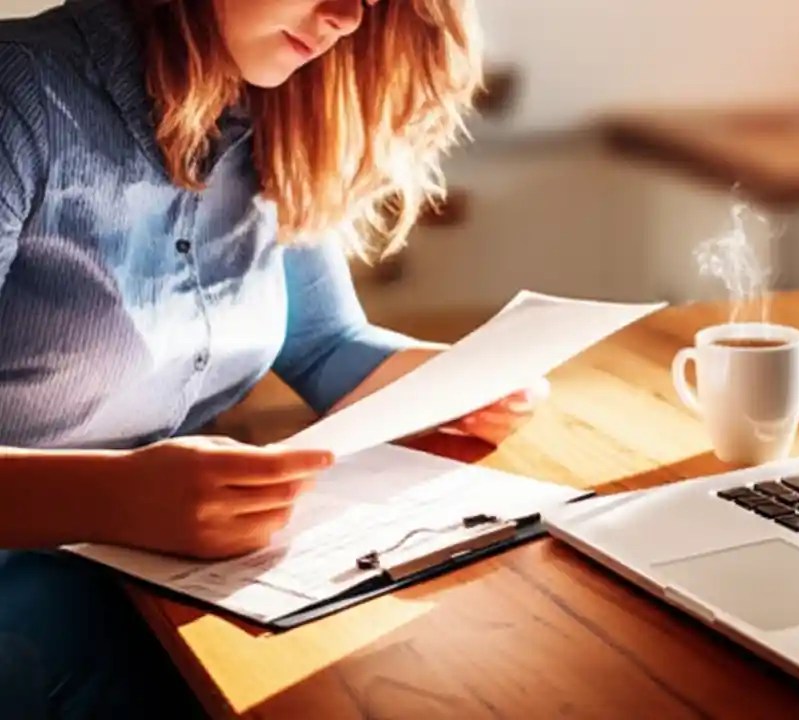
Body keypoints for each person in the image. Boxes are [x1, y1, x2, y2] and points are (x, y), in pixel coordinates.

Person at [0, 0, 538, 716]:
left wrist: (463, 383)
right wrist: (114, 498)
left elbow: (326, 343)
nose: (346, 17)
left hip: (163, 595)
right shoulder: (20, 94)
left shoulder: (267, 109)